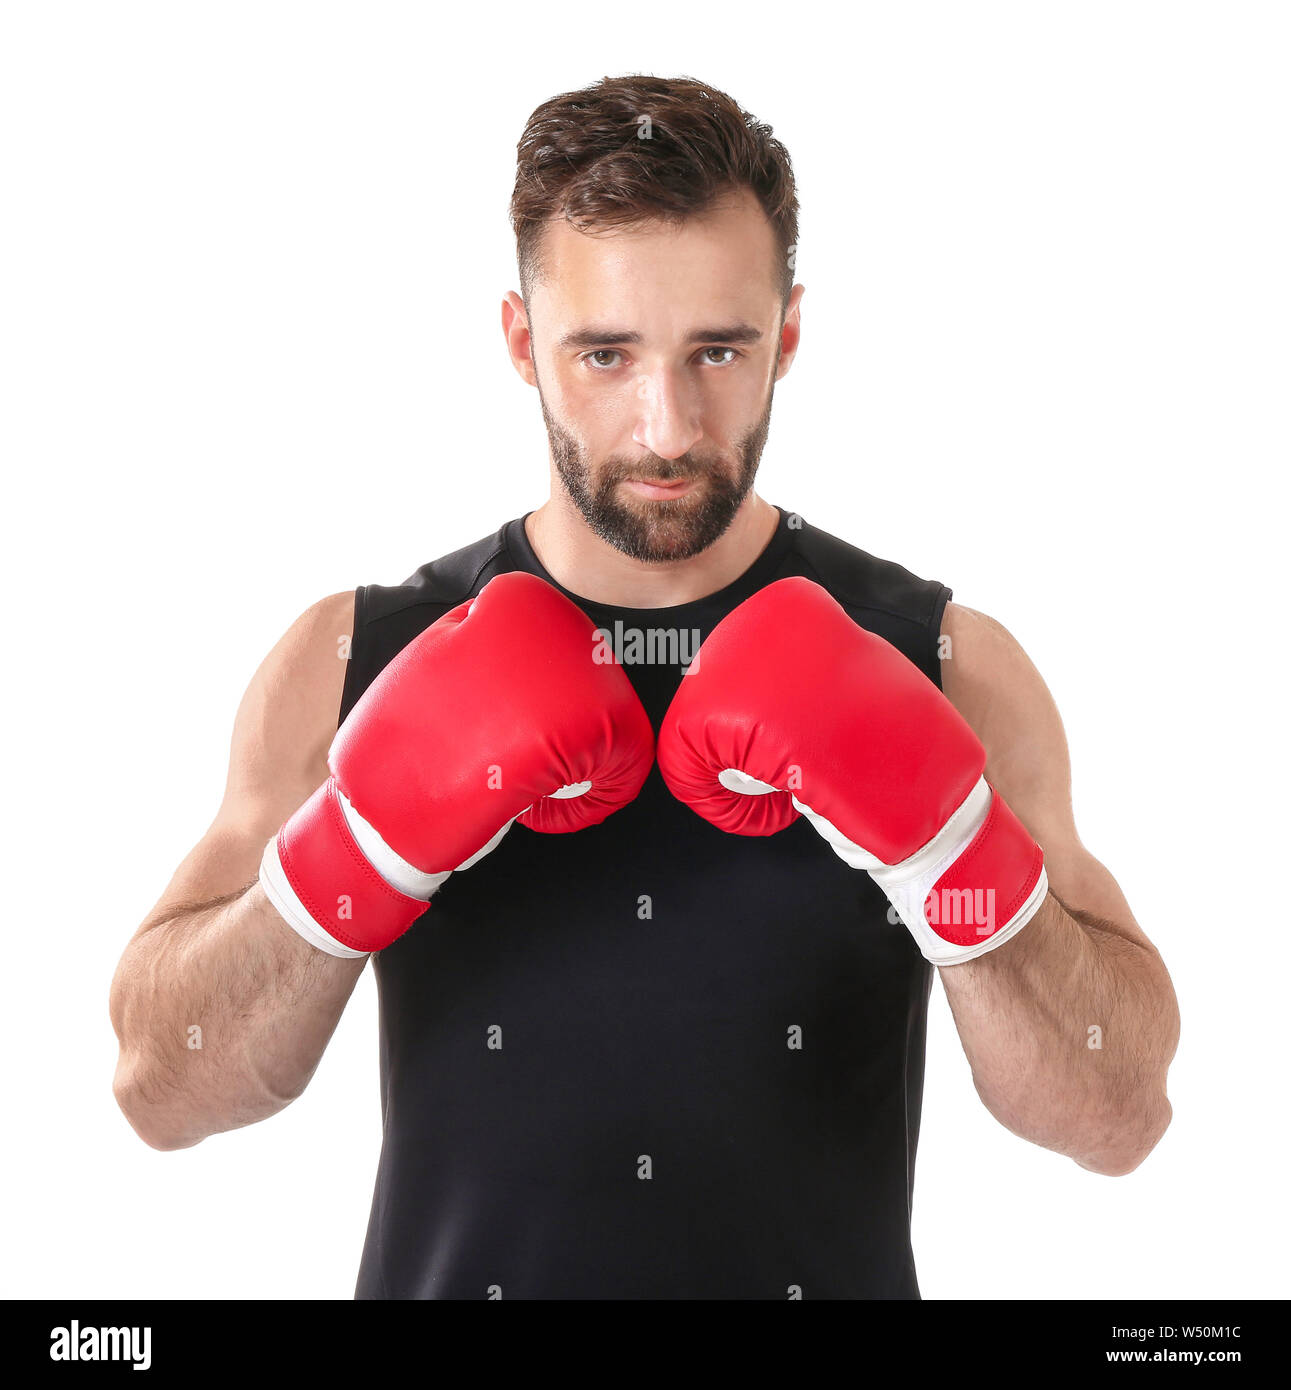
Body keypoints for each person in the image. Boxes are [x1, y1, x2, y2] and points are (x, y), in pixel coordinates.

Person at [109, 74, 1180, 1300]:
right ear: (521, 342)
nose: (665, 426)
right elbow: (159, 1082)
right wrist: (354, 853)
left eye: (716, 349)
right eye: (604, 354)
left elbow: (1120, 1110)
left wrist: (947, 850)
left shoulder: (941, 662)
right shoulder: (355, 656)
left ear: (787, 332)